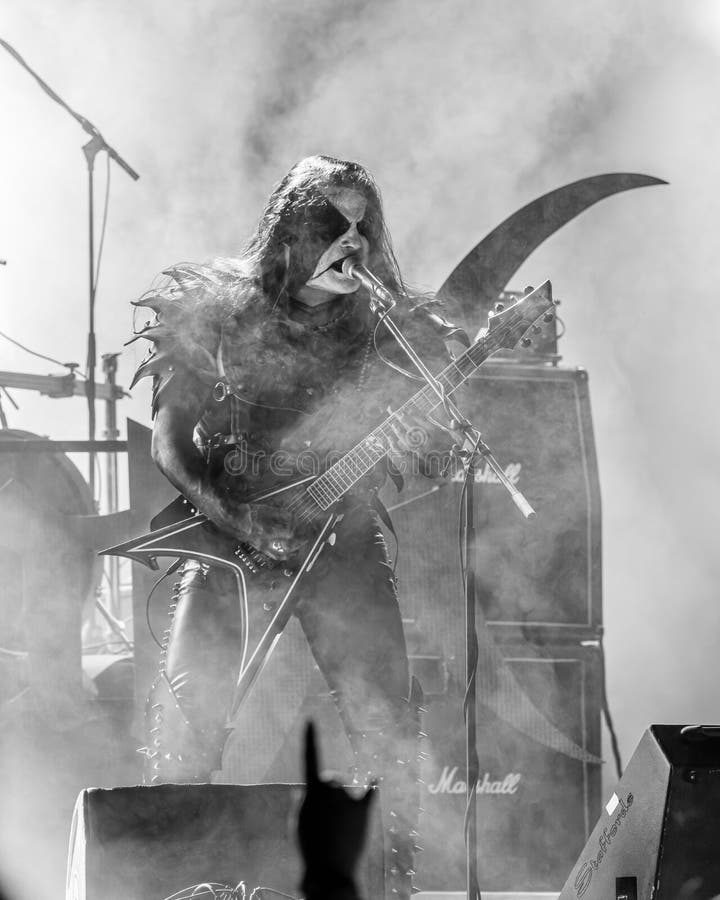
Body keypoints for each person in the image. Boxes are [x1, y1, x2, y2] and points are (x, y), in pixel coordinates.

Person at [130, 155, 463, 900]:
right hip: (227, 537)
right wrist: (242, 518)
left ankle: (389, 882)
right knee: (188, 721)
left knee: (387, 723)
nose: (354, 242)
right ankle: (175, 883)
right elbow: (170, 442)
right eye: (332, 225)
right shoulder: (216, 308)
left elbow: (426, 458)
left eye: (363, 227)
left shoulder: (390, 332)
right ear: (288, 235)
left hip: (339, 538)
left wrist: (425, 442)